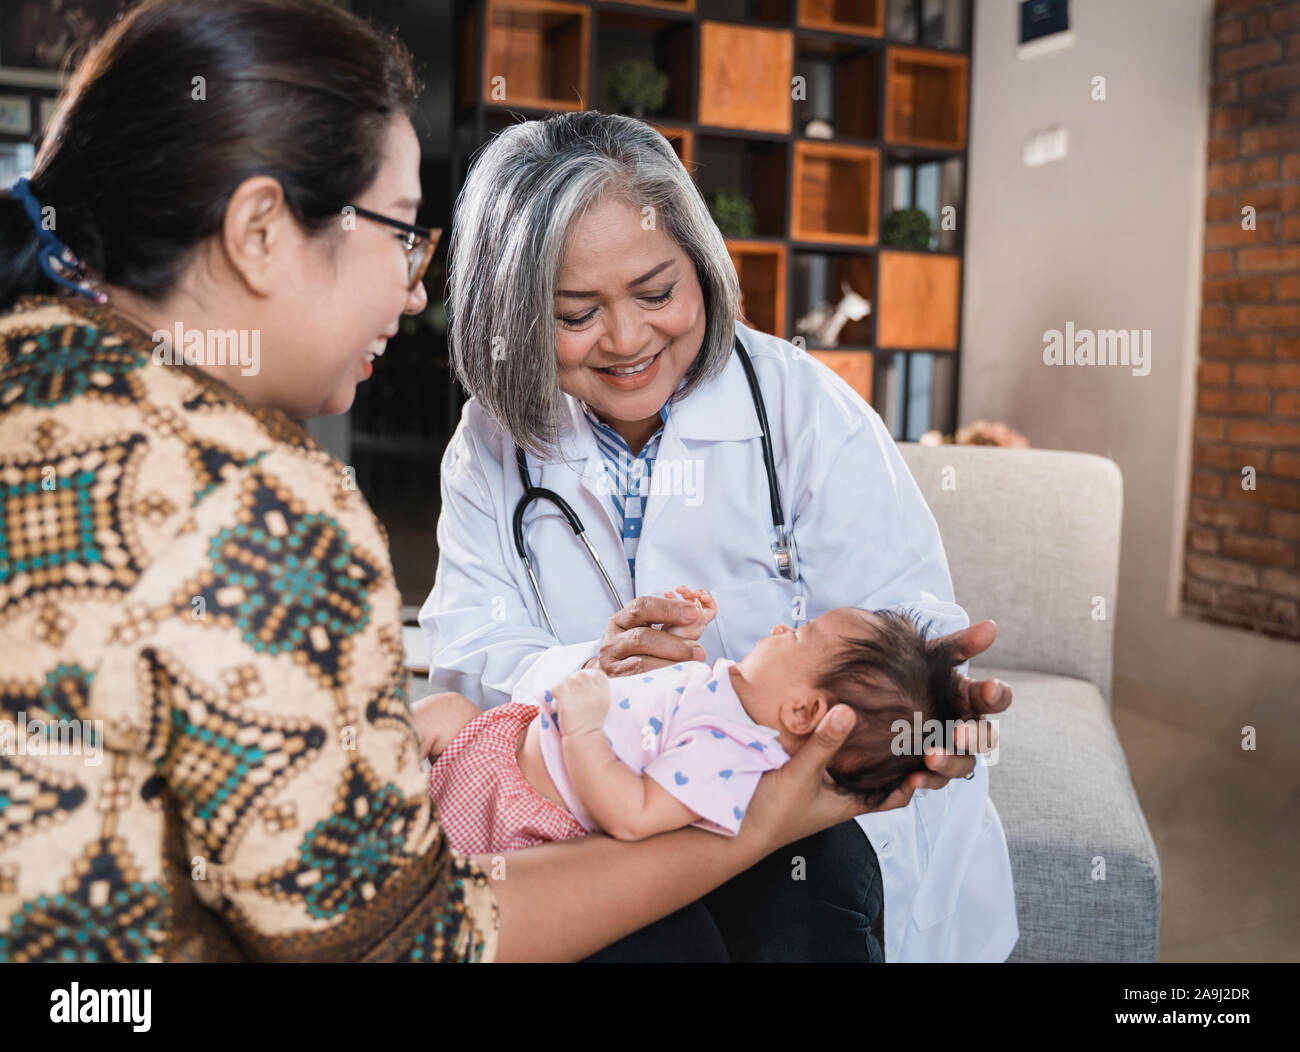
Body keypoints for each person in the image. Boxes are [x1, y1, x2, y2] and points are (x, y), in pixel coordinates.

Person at [0, 0, 939, 964]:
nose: (414, 291)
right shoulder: (258, 507)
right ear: (260, 231)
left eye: (655, 292)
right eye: (403, 233)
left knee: (814, 894)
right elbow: (403, 937)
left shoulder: (41, 374)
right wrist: (738, 805)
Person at [420, 108, 1019, 962]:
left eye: (658, 293)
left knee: (807, 908)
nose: (628, 341)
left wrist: (926, 691)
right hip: (580, 815)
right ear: (512, 314)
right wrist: (588, 671)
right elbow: (468, 641)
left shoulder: (802, 410)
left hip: (788, 805)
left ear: (701, 267)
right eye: (576, 312)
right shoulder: (489, 443)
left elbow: (896, 615)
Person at [421, 602, 979, 853]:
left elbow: (634, 815)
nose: (783, 625)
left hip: (513, 803)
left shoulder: (732, 754)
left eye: (801, 635)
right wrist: (683, 626)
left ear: (803, 713)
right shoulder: (726, 696)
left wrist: (585, 731)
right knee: (439, 711)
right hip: (502, 738)